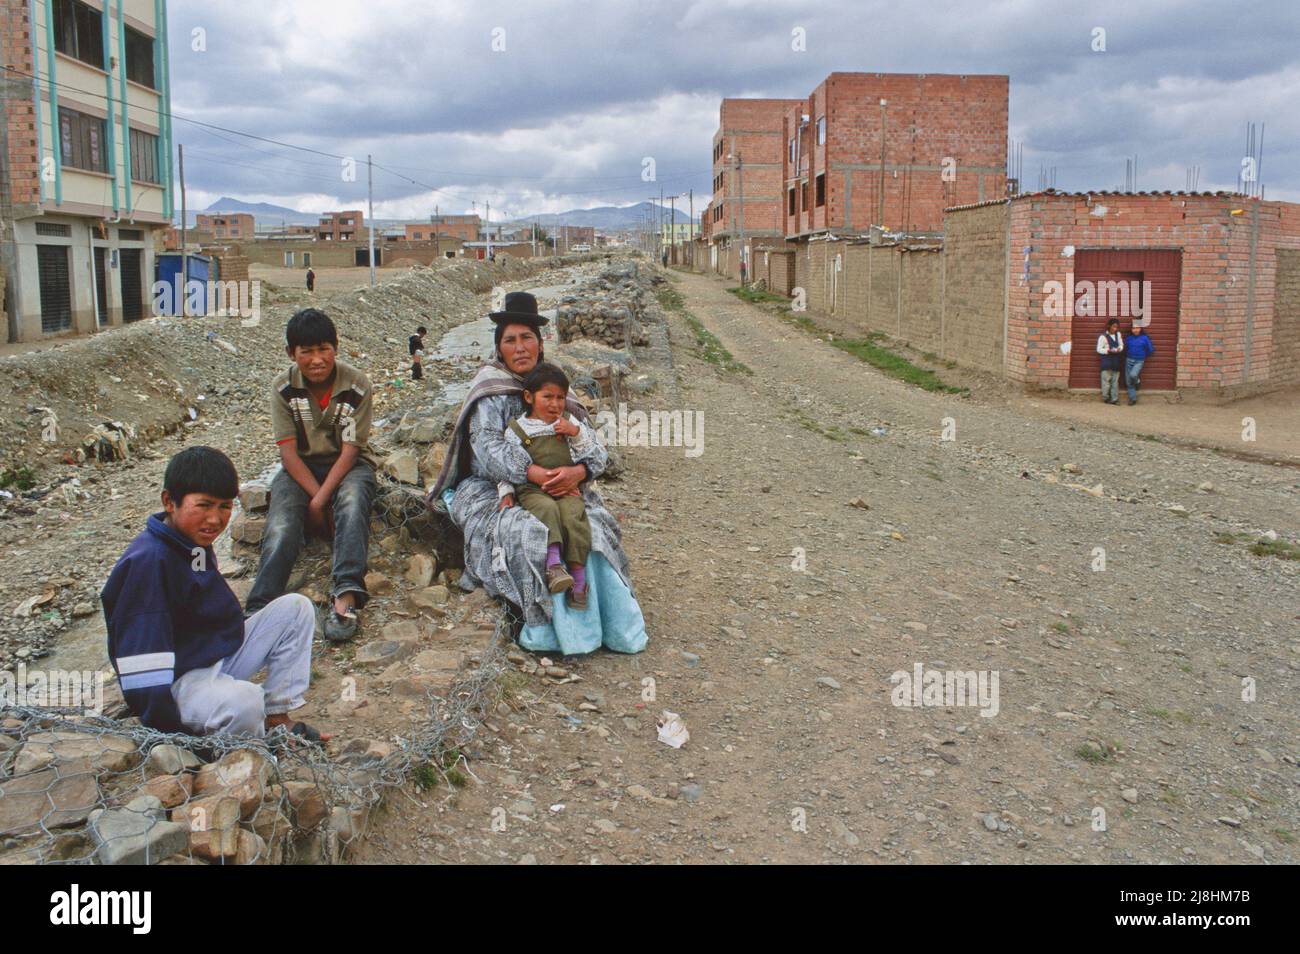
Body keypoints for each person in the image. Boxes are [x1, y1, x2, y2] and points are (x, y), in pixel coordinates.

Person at [425, 291, 647, 655]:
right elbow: (488, 451)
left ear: (540, 343)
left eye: (527, 337)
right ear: (500, 348)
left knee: (592, 525)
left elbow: (591, 446)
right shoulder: (489, 389)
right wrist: (534, 474)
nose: (520, 347)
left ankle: (608, 626)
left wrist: (578, 472)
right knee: (526, 532)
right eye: (510, 340)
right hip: (494, 487)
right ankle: (545, 632)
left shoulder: (555, 388)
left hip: (563, 484)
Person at [102, 446, 326, 740]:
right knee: (245, 702)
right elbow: (142, 665)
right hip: (177, 681)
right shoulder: (148, 563)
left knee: (296, 608)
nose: (215, 519)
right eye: (204, 505)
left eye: (225, 506)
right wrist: (172, 735)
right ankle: (237, 750)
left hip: (212, 656)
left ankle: (276, 716)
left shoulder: (191, 544)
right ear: (170, 501)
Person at [245, 308, 378, 642]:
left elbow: (350, 451)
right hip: (299, 467)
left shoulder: (357, 385)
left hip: (348, 465)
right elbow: (288, 453)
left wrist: (319, 501)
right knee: (282, 523)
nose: (317, 359)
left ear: (336, 347)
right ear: (292, 354)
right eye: (307, 352)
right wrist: (315, 501)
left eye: (324, 349)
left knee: (351, 501)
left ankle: (345, 596)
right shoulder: (283, 388)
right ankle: (260, 607)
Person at [497, 362, 602, 609]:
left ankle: (578, 581)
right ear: (529, 397)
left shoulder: (568, 422)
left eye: (560, 398)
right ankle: (553, 567)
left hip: (568, 489)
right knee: (547, 510)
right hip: (533, 490)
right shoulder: (517, 430)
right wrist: (506, 493)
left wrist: (575, 432)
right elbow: (506, 466)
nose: (555, 404)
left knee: (573, 516)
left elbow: (590, 453)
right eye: (548, 397)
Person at [1097, 318, 1124, 405]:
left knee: (1115, 382)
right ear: (1109, 326)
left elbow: (1121, 345)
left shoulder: (1118, 335)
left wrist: (1120, 348)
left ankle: (1114, 399)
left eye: (1117, 327)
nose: (1115, 329)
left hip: (1116, 361)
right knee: (1106, 381)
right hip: (1106, 362)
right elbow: (1098, 349)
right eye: (1113, 327)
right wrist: (1108, 350)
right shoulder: (1103, 337)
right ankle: (1106, 398)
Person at [1125, 324, 1154, 405]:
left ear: (1140, 328)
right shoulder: (1128, 338)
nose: (1135, 330)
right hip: (1129, 360)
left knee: (1133, 375)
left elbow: (1150, 349)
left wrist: (1143, 355)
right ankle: (1133, 399)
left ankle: (1137, 381)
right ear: (1131, 329)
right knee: (1128, 381)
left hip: (1139, 361)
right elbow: (1125, 348)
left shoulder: (1145, 338)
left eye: (1137, 328)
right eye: (1133, 328)